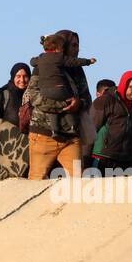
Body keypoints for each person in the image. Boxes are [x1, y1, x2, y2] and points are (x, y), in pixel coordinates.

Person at [25, 29, 93, 179]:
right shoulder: (43, 65)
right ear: (64, 46)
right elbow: (33, 95)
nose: (77, 49)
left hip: (71, 136)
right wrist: (61, 105)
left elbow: (87, 99)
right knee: (36, 182)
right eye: (74, 45)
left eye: (78, 45)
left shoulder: (77, 70)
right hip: (43, 134)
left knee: (78, 183)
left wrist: (78, 104)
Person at [91, 71, 132, 171]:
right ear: (124, 84)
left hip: (128, 160)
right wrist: (85, 160)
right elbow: (90, 130)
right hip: (103, 158)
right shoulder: (105, 100)